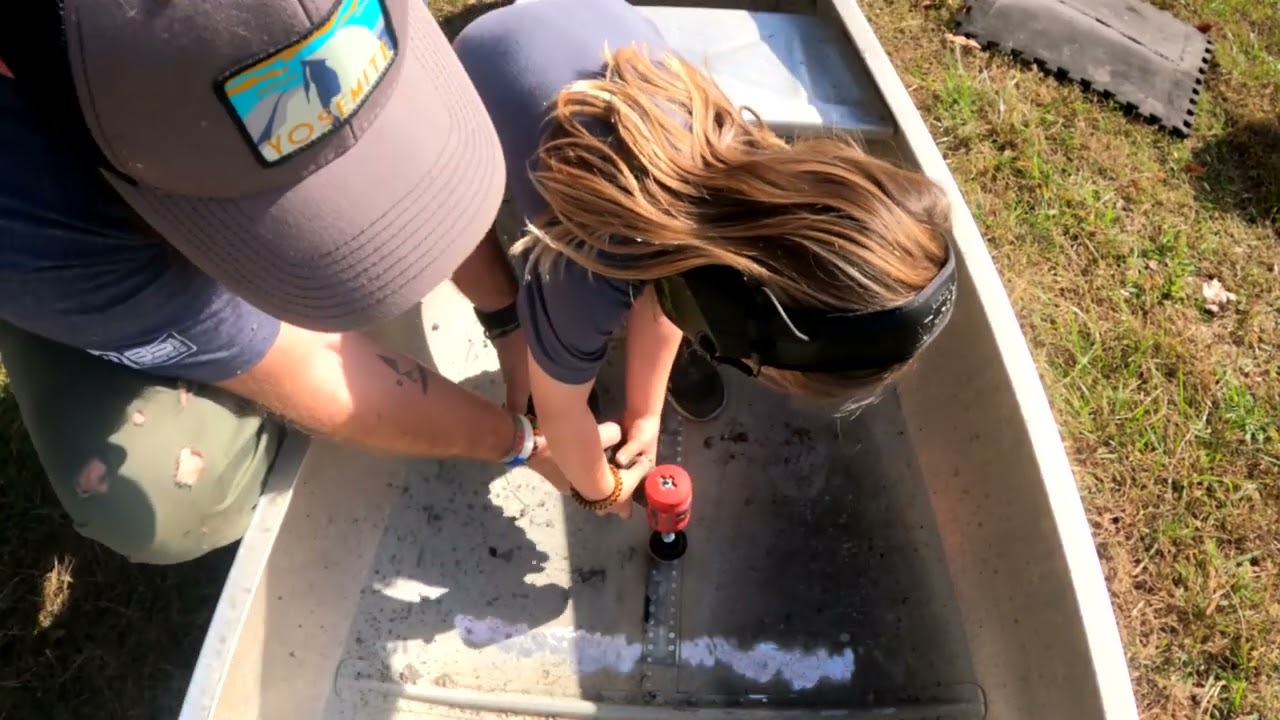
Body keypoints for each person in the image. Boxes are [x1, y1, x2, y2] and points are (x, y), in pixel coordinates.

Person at [0, 0, 622, 565]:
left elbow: (390, 137)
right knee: (173, 494)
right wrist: (520, 443)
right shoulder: (34, 215)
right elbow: (308, 363)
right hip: (68, 222)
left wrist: (508, 320)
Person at [451, 0, 957, 518]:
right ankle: (506, 321)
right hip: (456, 88)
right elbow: (560, 414)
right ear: (734, 317)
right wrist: (603, 490)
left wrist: (643, 411)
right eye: (756, 364)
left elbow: (673, 279)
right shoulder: (593, 262)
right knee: (446, 221)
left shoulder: (743, 171)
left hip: (576, 23)